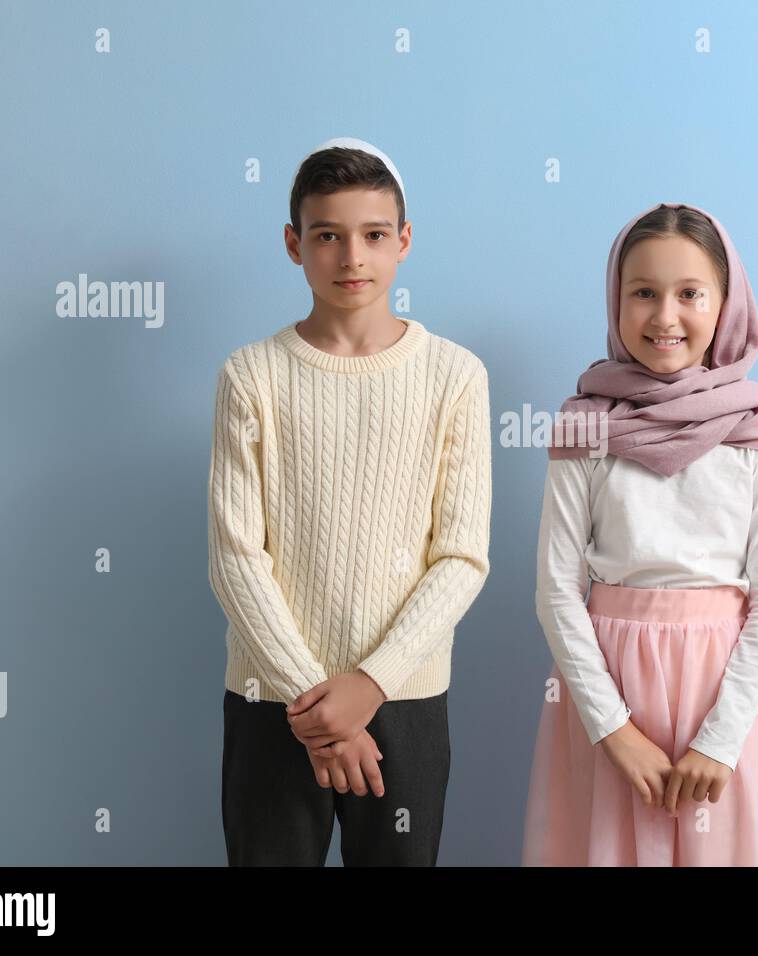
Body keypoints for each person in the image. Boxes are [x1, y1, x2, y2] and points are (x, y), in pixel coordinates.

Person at [208, 137, 491, 866]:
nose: (351, 258)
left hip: (405, 698)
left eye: (371, 236)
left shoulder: (454, 376)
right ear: (293, 245)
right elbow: (236, 560)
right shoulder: (251, 376)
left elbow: (460, 556)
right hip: (274, 702)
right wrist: (319, 707)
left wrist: (368, 686)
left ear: (403, 242)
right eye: (327, 236)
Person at [522, 202, 758, 866]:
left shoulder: (757, 429)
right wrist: (615, 730)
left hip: (727, 700)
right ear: (615, 301)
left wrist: (720, 739)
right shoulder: (585, 426)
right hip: (607, 695)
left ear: (726, 303)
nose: (665, 316)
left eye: (689, 294)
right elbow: (557, 594)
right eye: (642, 293)